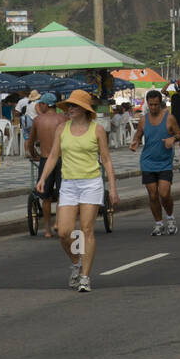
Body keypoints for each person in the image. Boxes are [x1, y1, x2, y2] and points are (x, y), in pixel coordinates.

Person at [37, 90, 118, 293]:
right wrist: (43, 178)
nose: (70, 109)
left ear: (84, 109)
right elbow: (54, 156)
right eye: (69, 106)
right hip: (69, 185)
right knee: (63, 231)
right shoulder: (61, 129)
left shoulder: (96, 130)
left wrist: (113, 188)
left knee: (86, 230)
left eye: (73, 106)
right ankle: (76, 262)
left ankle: (84, 277)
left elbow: (106, 159)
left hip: (91, 183)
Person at [130, 90, 180, 235]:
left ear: (161, 103)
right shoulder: (143, 120)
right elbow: (138, 135)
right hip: (147, 162)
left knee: (164, 194)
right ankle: (158, 223)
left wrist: (173, 139)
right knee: (153, 195)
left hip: (165, 161)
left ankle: (170, 218)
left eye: (156, 105)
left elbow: (179, 133)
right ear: (147, 103)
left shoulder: (169, 118)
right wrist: (135, 142)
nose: (153, 107)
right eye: (151, 104)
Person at [26, 93, 65, 237]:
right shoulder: (63, 119)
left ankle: (47, 230)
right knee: (62, 194)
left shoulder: (38, 120)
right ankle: (58, 223)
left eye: (40, 104)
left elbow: (30, 142)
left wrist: (34, 154)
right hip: (62, 159)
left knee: (46, 197)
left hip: (45, 159)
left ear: (45, 105)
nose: (38, 106)